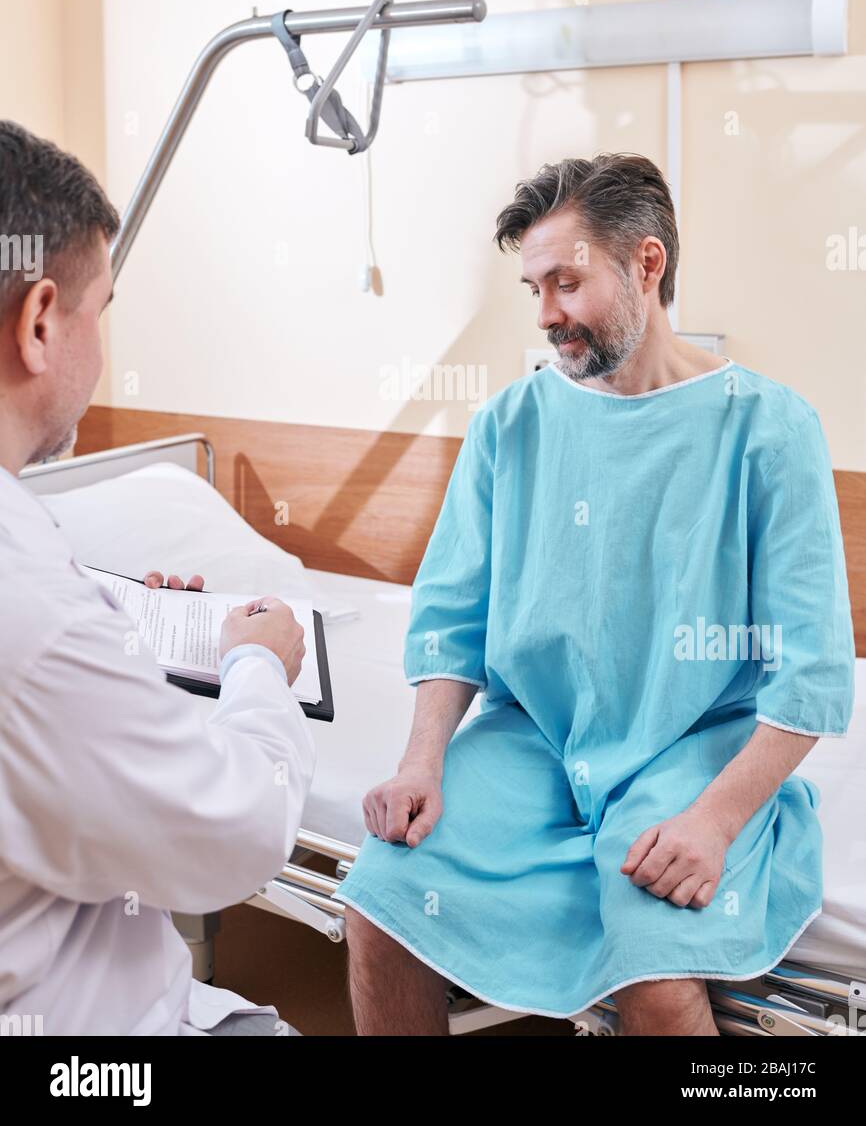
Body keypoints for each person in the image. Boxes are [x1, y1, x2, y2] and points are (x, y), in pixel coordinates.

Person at [339, 152, 856, 1036]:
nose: (548, 316)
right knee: (378, 904)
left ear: (646, 266)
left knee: (655, 976)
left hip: (694, 746)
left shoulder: (767, 429)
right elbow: (452, 619)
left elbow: (811, 674)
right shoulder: (511, 425)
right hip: (537, 742)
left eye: (567, 284)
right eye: (535, 290)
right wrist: (423, 759)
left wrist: (716, 821)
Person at [0, 120, 315, 1036]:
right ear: (41, 323)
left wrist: (125, 623)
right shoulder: (36, 614)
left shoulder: (36, 570)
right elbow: (237, 833)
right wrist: (257, 665)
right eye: (105, 307)